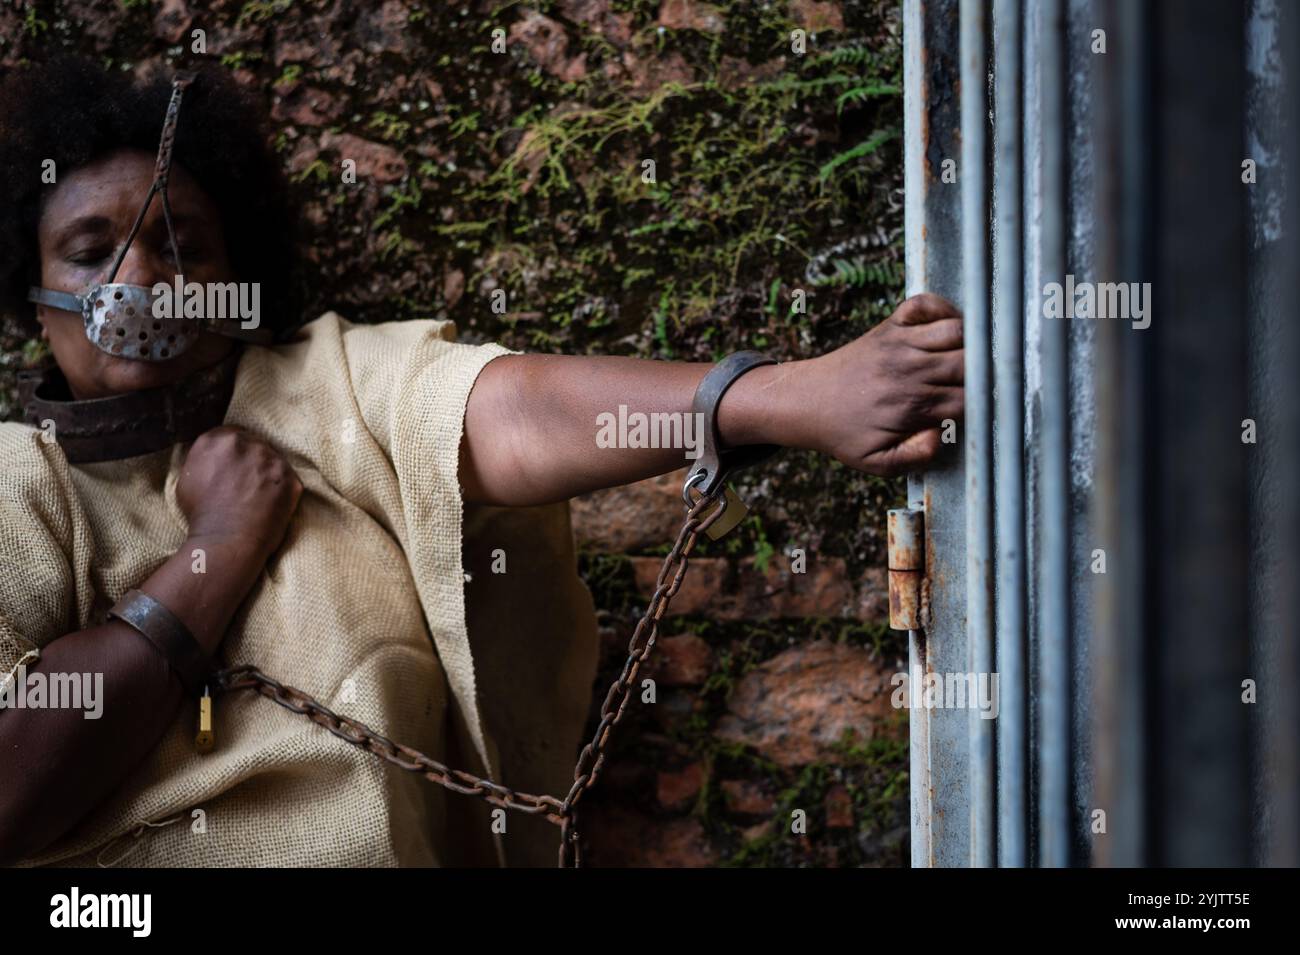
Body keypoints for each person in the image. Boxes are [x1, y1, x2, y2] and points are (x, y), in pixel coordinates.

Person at [0, 59, 963, 867]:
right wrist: (214, 549)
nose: (138, 282)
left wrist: (785, 401)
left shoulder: (323, 385)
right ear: (34, 296)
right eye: (90, 253)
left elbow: (508, 415)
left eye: (182, 247)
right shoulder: (20, 485)